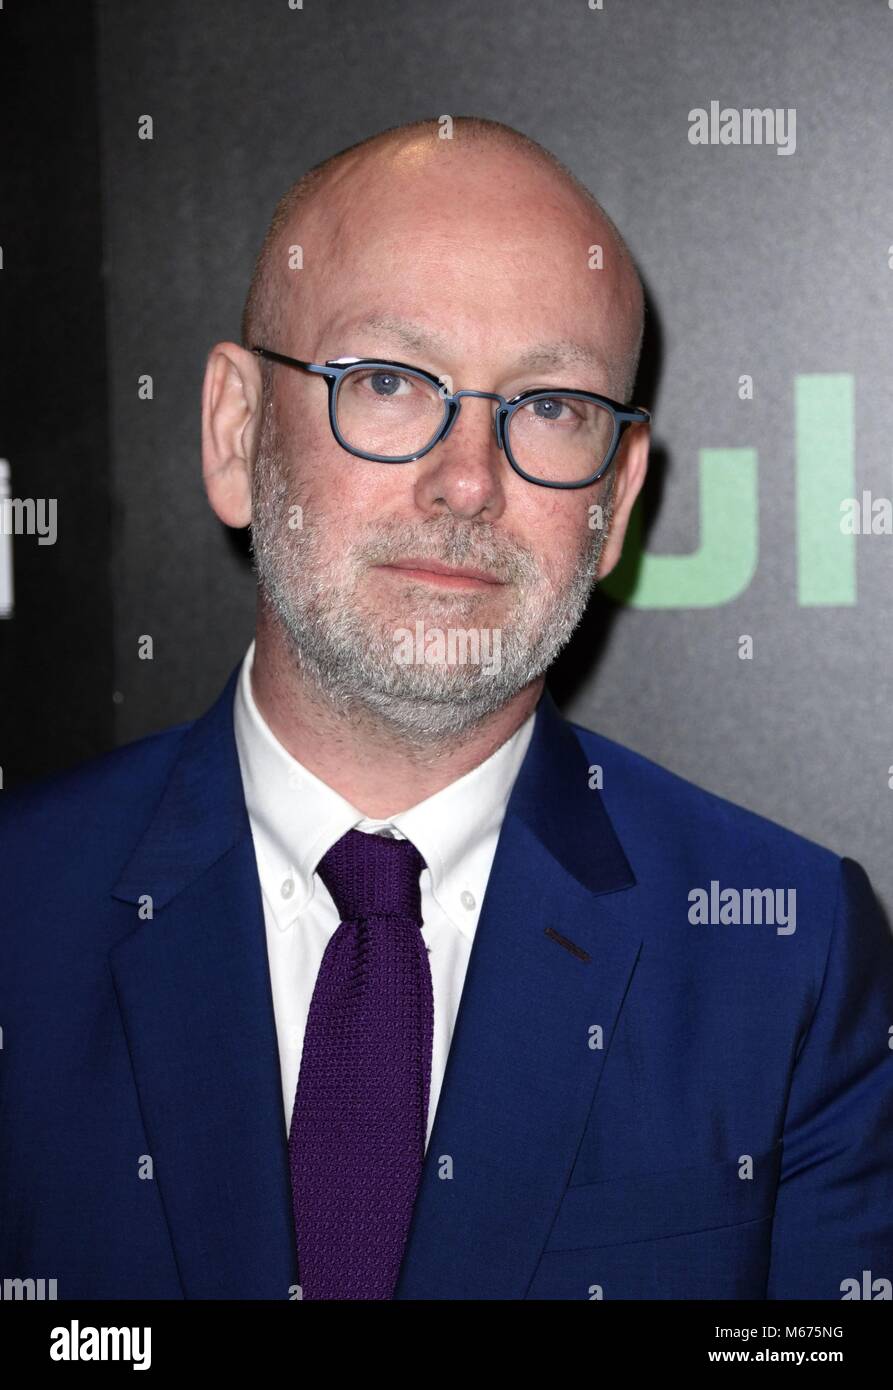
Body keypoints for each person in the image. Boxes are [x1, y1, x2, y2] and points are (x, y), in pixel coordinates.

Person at [1, 116, 891, 1302]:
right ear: (233, 431)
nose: (468, 480)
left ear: (614, 503)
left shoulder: (786, 958)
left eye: (550, 406)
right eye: (383, 380)